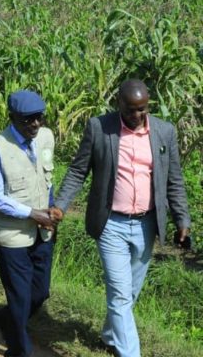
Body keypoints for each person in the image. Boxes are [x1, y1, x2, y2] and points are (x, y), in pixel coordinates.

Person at [51, 79, 191, 357]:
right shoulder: (100, 128)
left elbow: (173, 180)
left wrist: (182, 220)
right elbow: (78, 171)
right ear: (119, 104)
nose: (137, 115)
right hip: (110, 223)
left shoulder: (164, 132)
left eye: (142, 109)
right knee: (119, 293)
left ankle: (109, 335)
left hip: (146, 224)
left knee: (130, 291)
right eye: (131, 110)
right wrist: (61, 205)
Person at [0, 90, 56, 357]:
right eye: (28, 119)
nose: (35, 124)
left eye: (39, 117)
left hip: (43, 232)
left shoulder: (46, 137)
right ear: (12, 117)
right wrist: (31, 213)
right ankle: (18, 350)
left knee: (40, 292)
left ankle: (8, 319)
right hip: (11, 235)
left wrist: (51, 208)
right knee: (20, 296)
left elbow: (47, 179)